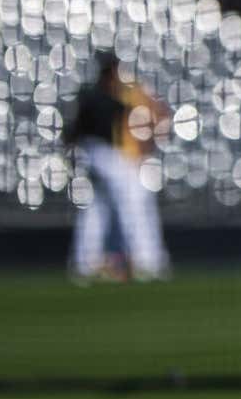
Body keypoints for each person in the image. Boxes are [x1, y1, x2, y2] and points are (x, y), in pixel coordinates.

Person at [68, 51, 171, 280]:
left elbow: (74, 133)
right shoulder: (109, 99)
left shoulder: (94, 96)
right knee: (130, 206)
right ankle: (144, 259)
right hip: (105, 155)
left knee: (95, 210)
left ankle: (86, 263)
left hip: (94, 155)